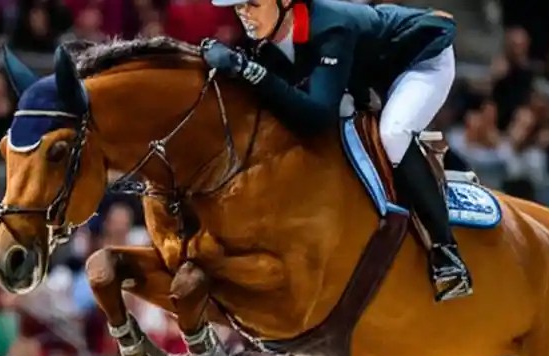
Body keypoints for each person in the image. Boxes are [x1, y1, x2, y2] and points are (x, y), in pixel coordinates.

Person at [201, 0, 470, 301]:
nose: (245, 16)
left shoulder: (331, 26)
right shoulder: (266, 40)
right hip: (366, 72)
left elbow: (316, 119)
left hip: (421, 61)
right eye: (238, 9)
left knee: (393, 133)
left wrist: (250, 72)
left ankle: (446, 252)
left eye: (252, 4)